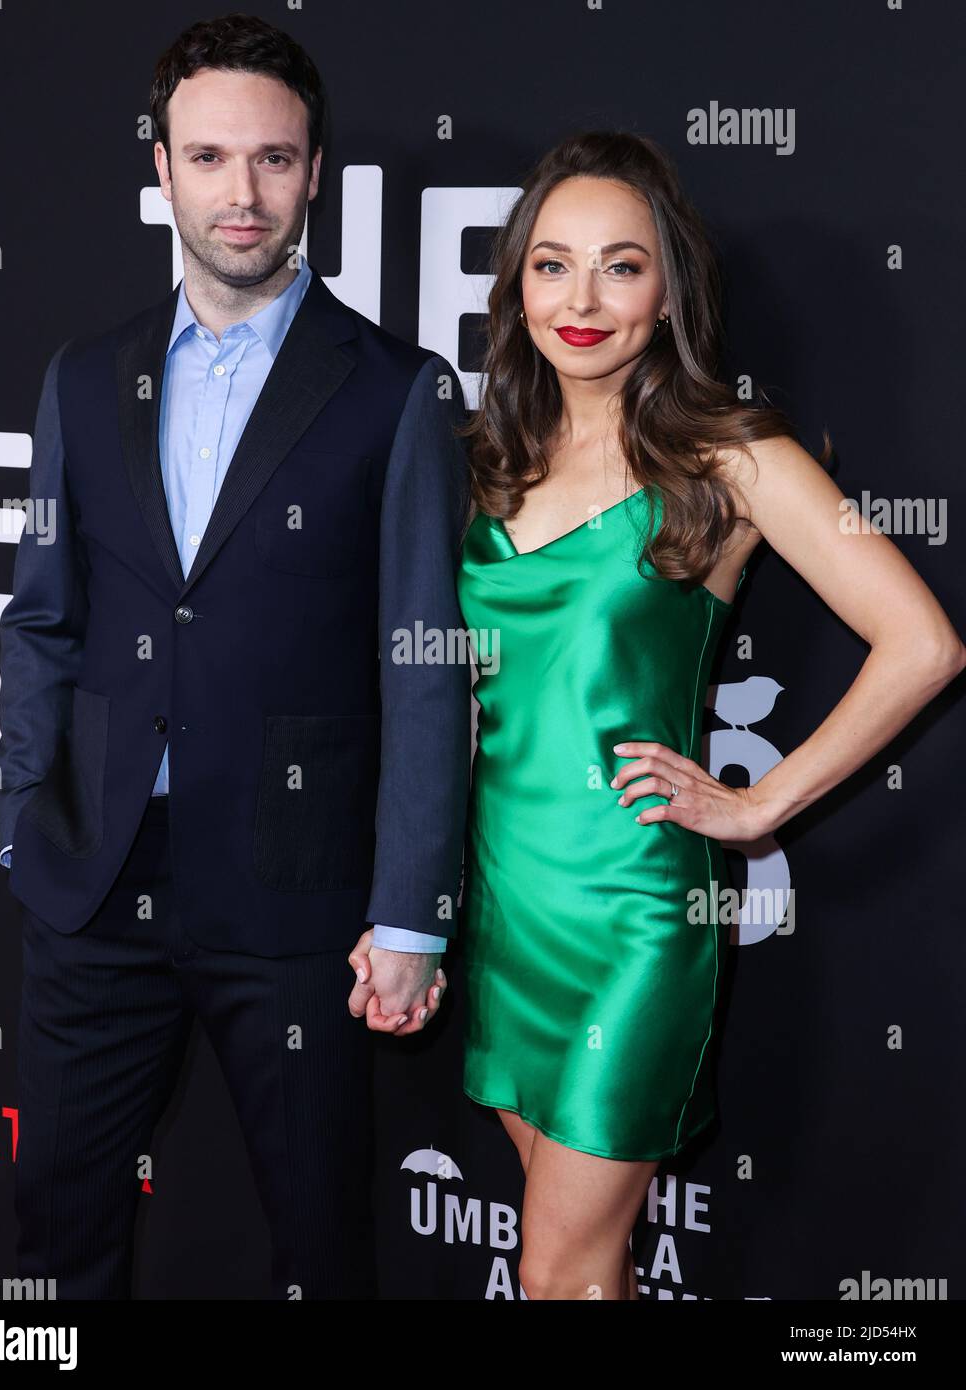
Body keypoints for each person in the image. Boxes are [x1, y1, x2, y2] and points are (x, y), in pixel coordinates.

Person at [0, 14, 469, 1299]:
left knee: (319, 1243)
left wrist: (408, 908)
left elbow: (423, 661)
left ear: (315, 172)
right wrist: (21, 816)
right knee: (57, 1243)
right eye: (208, 158)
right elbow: (40, 617)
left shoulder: (394, 389)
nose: (241, 194)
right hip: (97, 879)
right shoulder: (84, 379)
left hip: (298, 895)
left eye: (271, 159)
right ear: (160, 171)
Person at [453, 129, 966, 1301]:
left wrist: (758, 804)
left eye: (619, 266)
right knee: (589, 1270)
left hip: (634, 910)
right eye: (551, 264)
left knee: (555, 1274)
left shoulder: (729, 459)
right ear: (515, 285)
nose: (580, 299)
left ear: (668, 288)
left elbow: (922, 642)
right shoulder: (487, 459)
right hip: (499, 902)